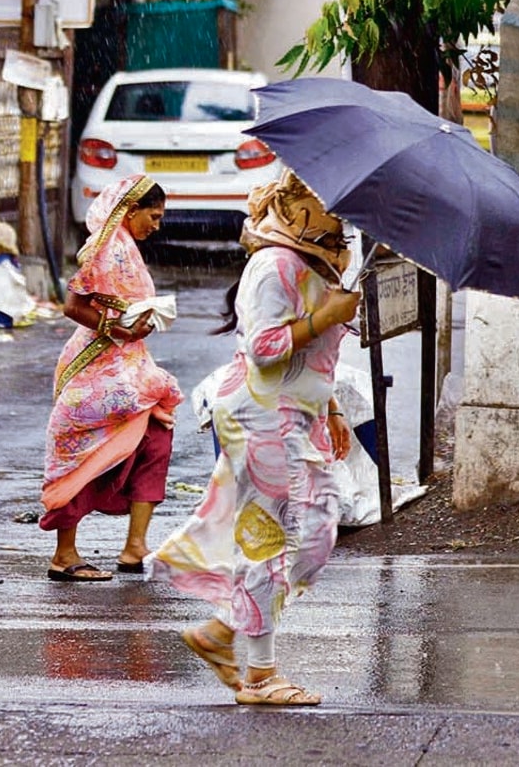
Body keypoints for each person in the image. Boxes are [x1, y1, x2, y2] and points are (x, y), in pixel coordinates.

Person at [146, 167, 361, 706]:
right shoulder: (273, 266)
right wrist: (327, 316)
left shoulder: (317, 266)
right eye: (325, 204)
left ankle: (221, 629)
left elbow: (311, 355)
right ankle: (261, 676)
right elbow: (264, 348)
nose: (339, 218)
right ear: (297, 208)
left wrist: (330, 406)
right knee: (266, 538)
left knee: (317, 535)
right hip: (262, 415)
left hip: (301, 412)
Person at [40, 174, 183, 582]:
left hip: (129, 367)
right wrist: (119, 328)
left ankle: (135, 546)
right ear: (130, 210)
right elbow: (74, 306)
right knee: (80, 452)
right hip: (97, 367)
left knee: (156, 441)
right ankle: (64, 555)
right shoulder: (105, 248)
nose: (156, 225)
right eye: (152, 216)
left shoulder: (127, 249)